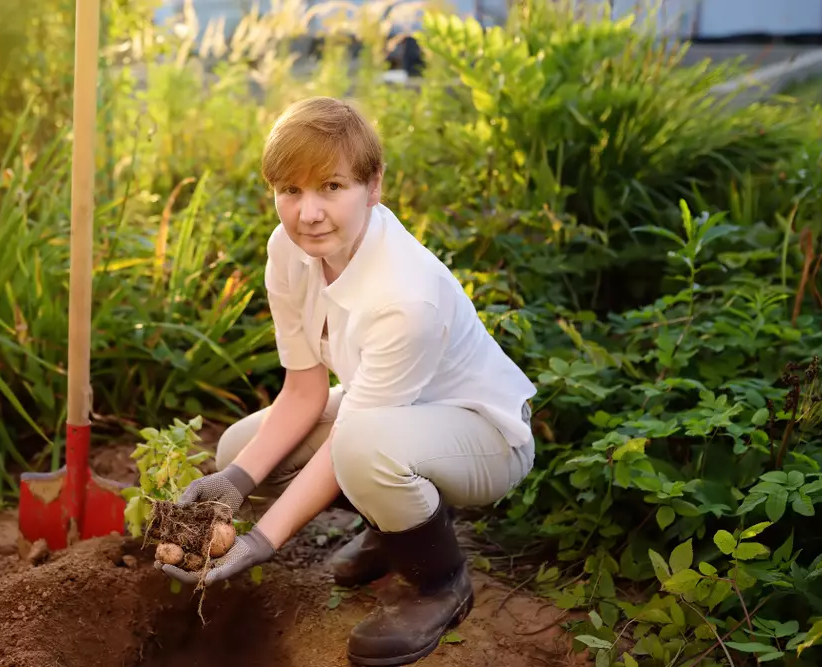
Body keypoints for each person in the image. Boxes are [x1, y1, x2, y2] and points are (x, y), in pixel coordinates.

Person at [155, 96, 537, 666]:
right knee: (240, 449)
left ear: (373, 185)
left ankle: (439, 582)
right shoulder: (287, 251)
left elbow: (348, 442)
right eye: (291, 190)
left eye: (331, 187)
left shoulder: (406, 295)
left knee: (362, 448)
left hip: (482, 436)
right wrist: (232, 483)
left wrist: (261, 542)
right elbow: (304, 391)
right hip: (389, 419)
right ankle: (393, 526)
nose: (308, 212)